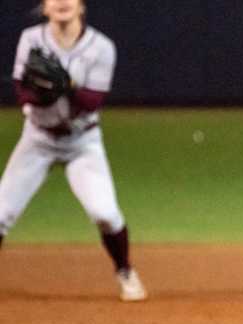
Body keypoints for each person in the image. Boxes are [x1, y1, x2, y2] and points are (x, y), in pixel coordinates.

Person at [0, 0, 146, 301]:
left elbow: (91, 102)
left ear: (81, 6)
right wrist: (45, 91)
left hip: (82, 142)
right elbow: (22, 91)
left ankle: (125, 271)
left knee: (105, 214)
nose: (62, 2)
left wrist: (64, 84)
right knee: (1, 213)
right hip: (37, 139)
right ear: (44, 7)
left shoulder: (101, 47)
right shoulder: (31, 39)